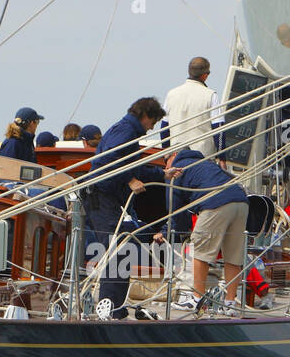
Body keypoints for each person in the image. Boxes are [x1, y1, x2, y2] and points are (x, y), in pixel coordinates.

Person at [85, 97, 180, 318]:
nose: (151, 129)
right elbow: (109, 159)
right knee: (115, 250)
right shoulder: (126, 130)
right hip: (101, 196)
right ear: (145, 116)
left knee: (120, 247)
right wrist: (129, 180)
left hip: (107, 198)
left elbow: (132, 165)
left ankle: (115, 308)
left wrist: (162, 174)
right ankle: (108, 307)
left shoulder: (128, 132)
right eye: (153, 123)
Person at [167, 147, 250, 313]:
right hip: (241, 202)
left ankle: (197, 299)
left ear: (174, 156)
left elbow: (174, 207)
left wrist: (175, 230)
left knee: (200, 251)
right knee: (233, 256)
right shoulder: (207, 163)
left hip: (215, 203)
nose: (166, 166)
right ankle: (230, 304)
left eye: (165, 161)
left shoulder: (178, 169)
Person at [161, 56, 224, 157]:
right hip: (202, 157)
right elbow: (218, 128)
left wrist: (167, 156)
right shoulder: (211, 95)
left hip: (177, 156)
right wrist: (222, 157)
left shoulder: (171, 94)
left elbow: (164, 128)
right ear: (205, 75)